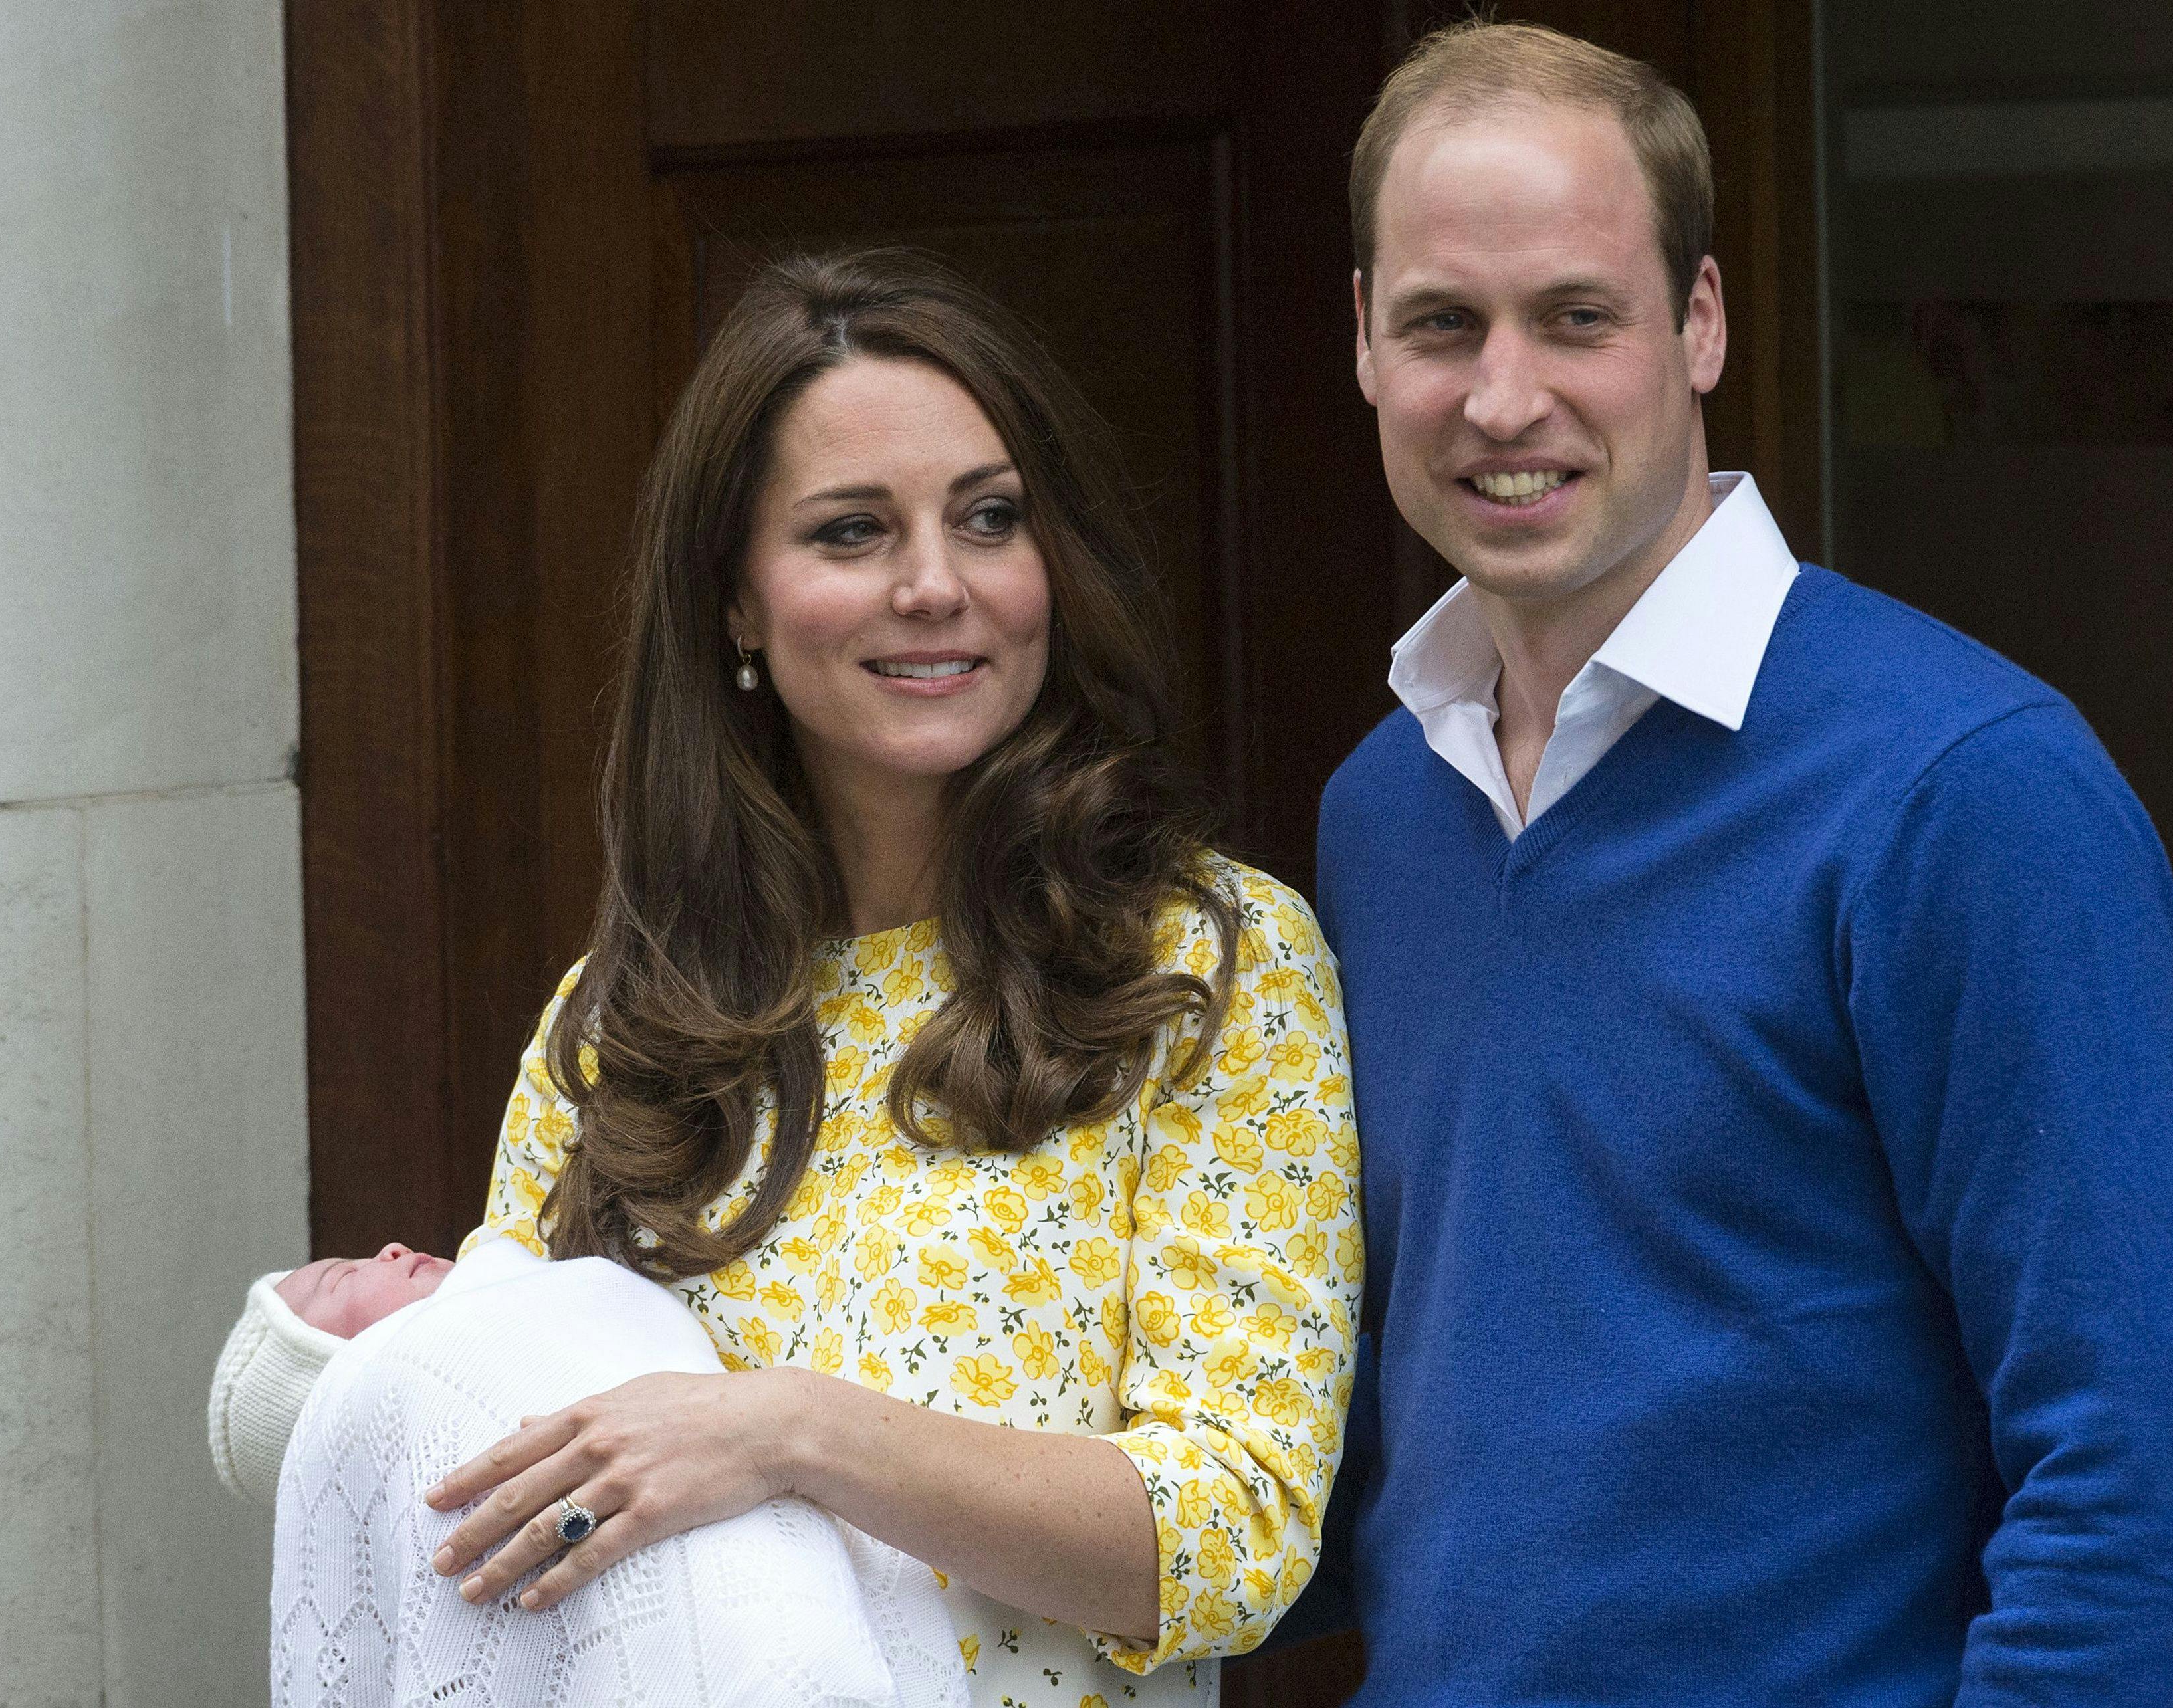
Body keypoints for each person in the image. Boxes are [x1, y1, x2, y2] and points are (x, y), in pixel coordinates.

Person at [1288, 21, 2173, 1707]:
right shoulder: (1384, 810)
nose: (1504, 397)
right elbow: (1379, 1443)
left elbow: (2133, 1462)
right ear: (1362, 340)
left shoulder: (1962, 791)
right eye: (1443, 324)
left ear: (1702, 321)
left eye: (1576, 316)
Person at [273, 248, 1361, 1708]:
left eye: (989, 520)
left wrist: (787, 1432)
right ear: (735, 602)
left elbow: (1235, 1536)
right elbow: (485, 1495)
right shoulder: (620, 1024)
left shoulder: (1206, 965)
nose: (934, 586)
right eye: (851, 533)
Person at [209, 1241, 967, 1707]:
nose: (394, 1247)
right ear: (341, 1406)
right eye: (344, 1277)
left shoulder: (525, 1289)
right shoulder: (426, 1402)